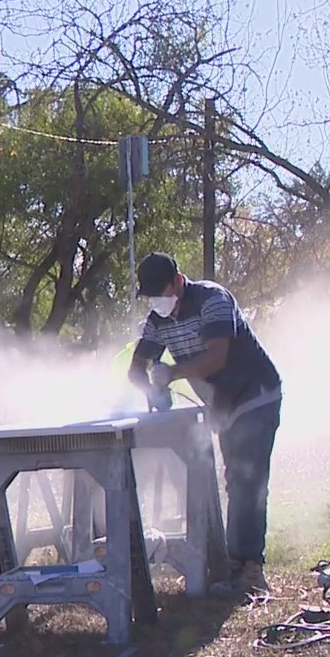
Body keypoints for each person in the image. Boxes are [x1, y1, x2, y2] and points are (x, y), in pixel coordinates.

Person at [128, 252, 282, 601]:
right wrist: (152, 387)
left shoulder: (213, 299)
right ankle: (235, 563)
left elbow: (217, 356)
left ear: (178, 281)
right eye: (150, 294)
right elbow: (136, 367)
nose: (156, 300)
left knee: (249, 478)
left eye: (159, 291)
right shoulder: (158, 320)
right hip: (225, 404)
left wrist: (172, 372)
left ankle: (251, 569)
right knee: (235, 480)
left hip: (256, 395)